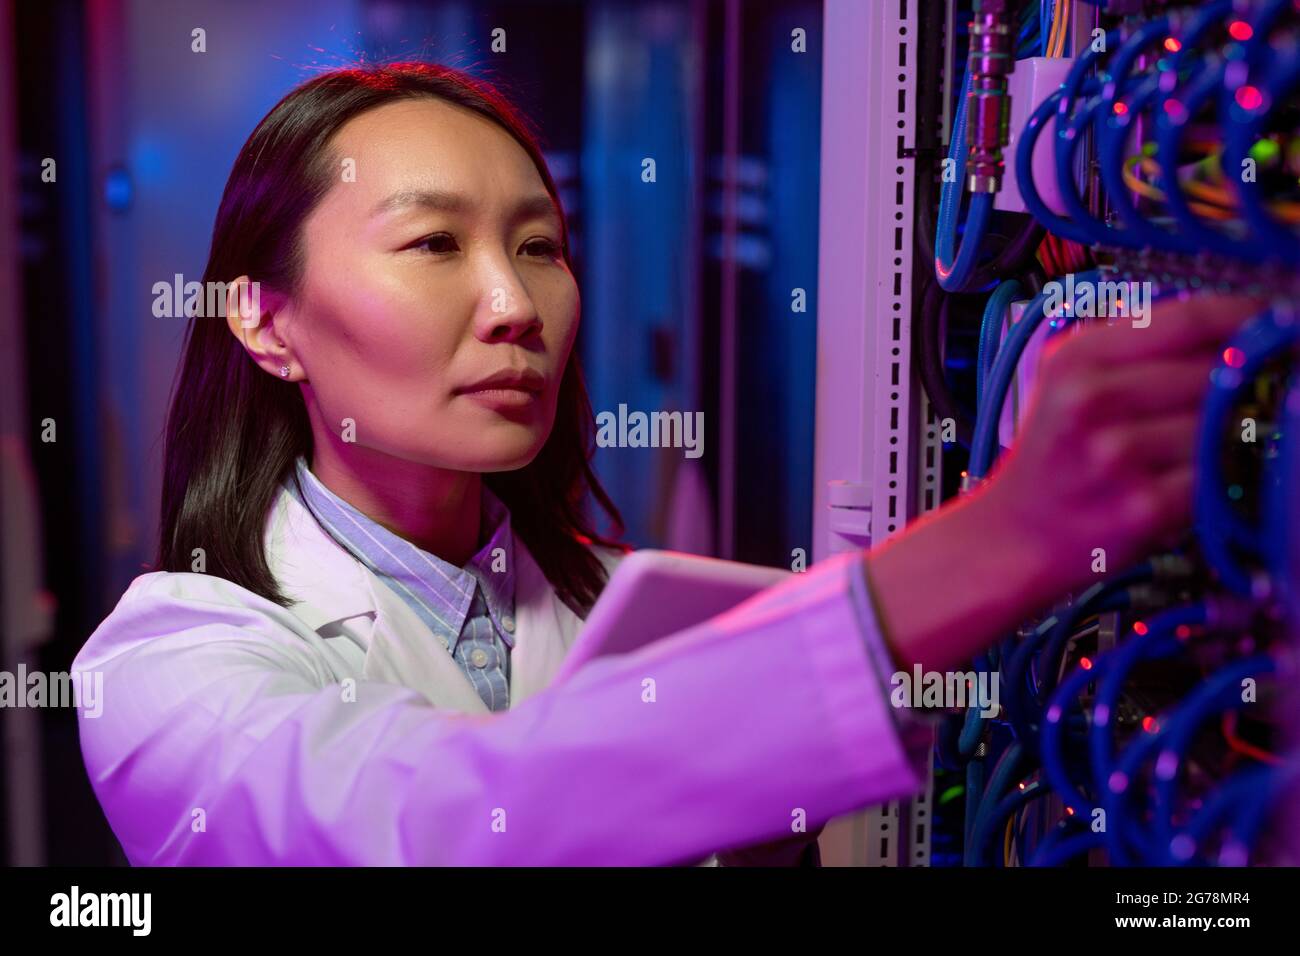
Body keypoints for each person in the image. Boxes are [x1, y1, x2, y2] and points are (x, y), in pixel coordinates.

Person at [72, 62, 1265, 866]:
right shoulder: (171, 667)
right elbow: (436, 821)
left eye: (538, 245)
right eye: (433, 243)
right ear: (267, 321)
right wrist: (999, 539)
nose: (513, 304)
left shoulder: (626, 598)